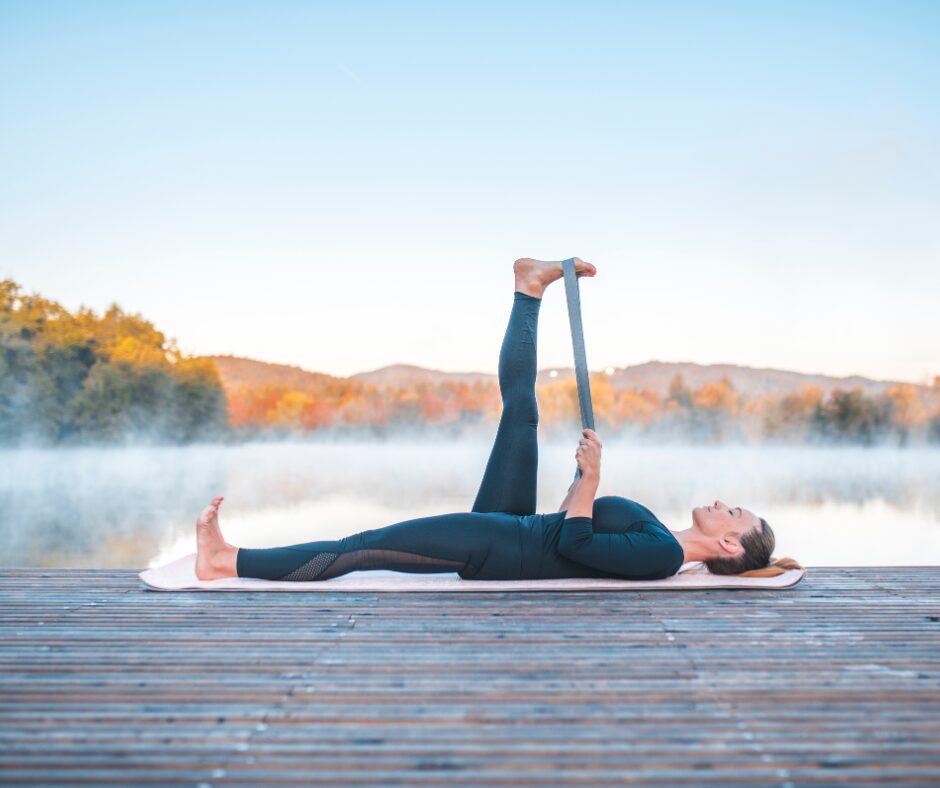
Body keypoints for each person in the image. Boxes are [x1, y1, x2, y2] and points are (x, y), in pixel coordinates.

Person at [194, 257, 800, 582]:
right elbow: (569, 531)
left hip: (497, 548)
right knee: (521, 414)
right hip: (516, 526)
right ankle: (529, 288)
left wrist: (590, 482)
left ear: (727, 543)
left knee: (363, 548)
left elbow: (575, 541)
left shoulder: (665, 558)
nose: (725, 502)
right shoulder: (660, 540)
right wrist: (576, 486)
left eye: (735, 512)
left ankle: (227, 561)